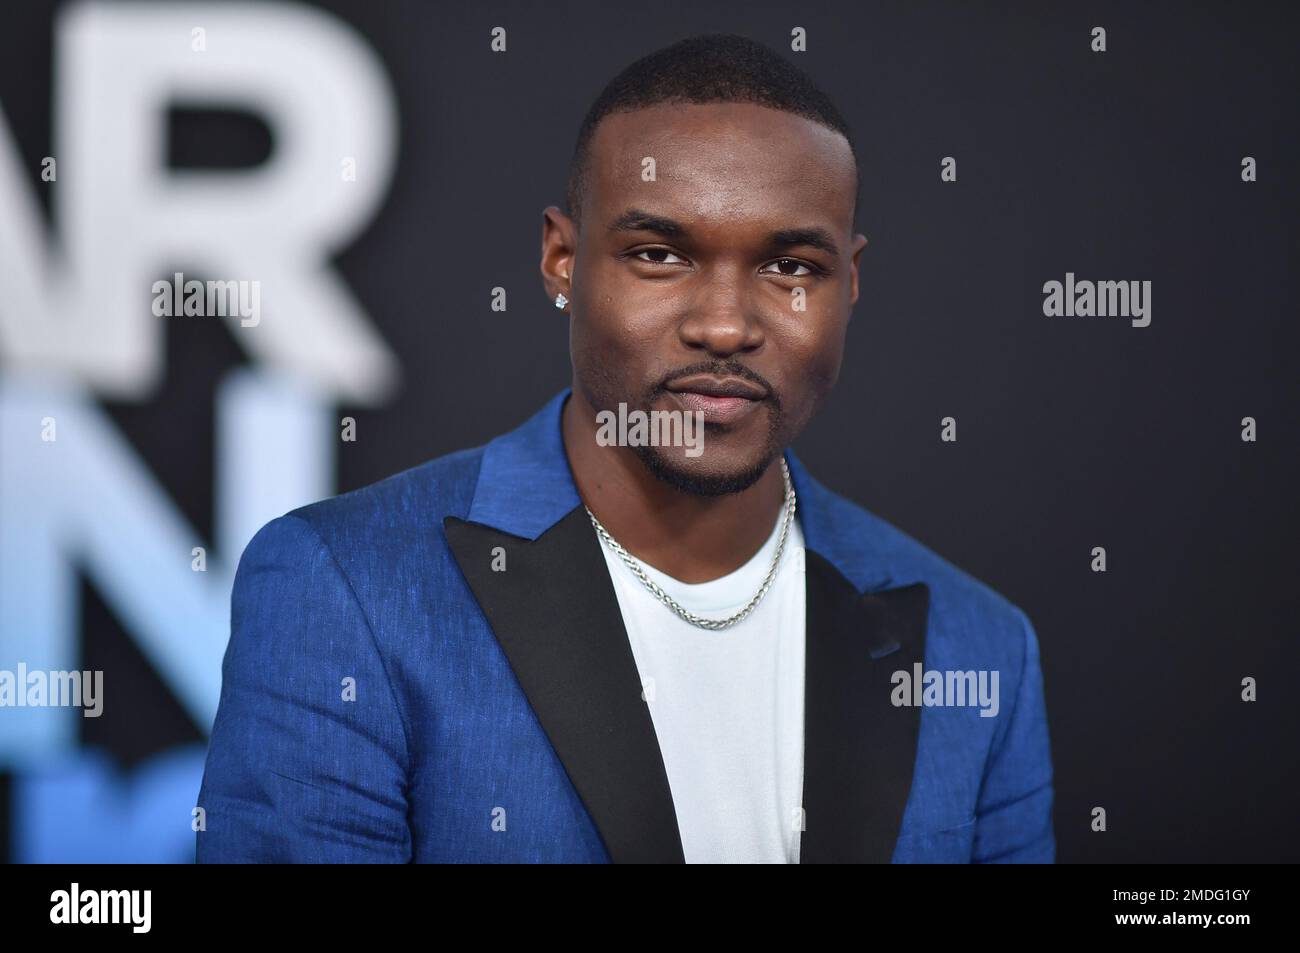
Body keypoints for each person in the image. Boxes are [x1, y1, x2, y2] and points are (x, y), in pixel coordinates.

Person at [197, 32, 1054, 864]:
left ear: (850, 283)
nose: (725, 325)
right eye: (659, 254)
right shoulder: (347, 590)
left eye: (791, 267)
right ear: (561, 261)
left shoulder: (979, 646)